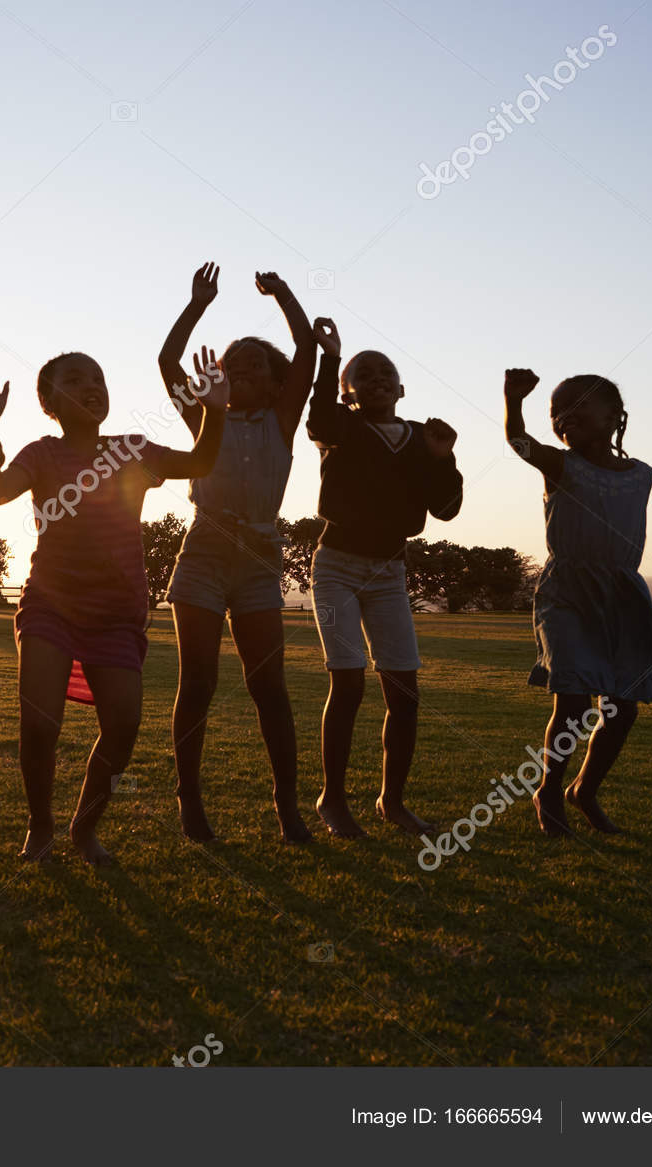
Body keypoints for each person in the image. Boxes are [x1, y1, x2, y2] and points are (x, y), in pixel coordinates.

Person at [0, 354, 227, 865]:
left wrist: (214, 411)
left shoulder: (132, 451)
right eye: (74, 380)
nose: (91, 386)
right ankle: (39, 826)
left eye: (98, 377)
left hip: (115, 614)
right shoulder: (41, 454)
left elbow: (199, 463)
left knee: (123, 725)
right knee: (40, 722)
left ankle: (83, 829)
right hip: (51, 605)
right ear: (47, 404)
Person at [158, 262, 319, 844]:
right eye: (231, 365)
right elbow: (168, 362)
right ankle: (190, 802)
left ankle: (287, 805)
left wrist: (283, 292)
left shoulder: (283, 419)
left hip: (258, 558)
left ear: (277, 384)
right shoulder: (208, 419)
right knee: (196, 681)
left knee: (267, 684)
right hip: (203, 551)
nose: (241, 372)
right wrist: (198, 302)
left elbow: (305, 349)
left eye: (255, 366)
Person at [305, 326, 461, 839]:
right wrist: (330, 361)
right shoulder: (340, 427)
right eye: (362, 375)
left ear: (401, 389)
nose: (376, 379)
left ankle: (391, 802)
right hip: (336, 568)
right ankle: (332, 799)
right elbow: (319, 416)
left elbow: (445, 509)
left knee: (405, 692)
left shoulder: (420, 438)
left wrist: (445, 459)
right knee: (348, 683)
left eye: (386, 374)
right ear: (348, 393)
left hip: (390, 572)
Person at [504, 368, 652, 835]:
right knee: (572, 701)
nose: (565, 416)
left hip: (621, 598)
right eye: (557, 412)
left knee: (622, 708)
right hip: (568, 594)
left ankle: (584, 791)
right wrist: (514, 402)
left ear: (616, 416)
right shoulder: (561, 466)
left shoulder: (641, 476)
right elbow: (519, 442)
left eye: (579, 406)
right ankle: (549, 789)